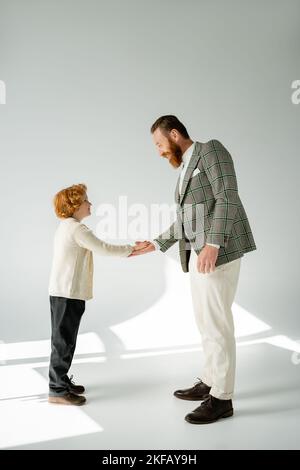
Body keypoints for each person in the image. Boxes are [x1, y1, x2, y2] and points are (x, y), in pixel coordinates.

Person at [131, 115, 257, 424]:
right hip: (200, 255)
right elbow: (189, 216)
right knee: (205, 322)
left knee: (217, 324)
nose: (159, 151)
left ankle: (222, 398)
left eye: (160, 144)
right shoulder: (186, 167)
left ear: (174, 134)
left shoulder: (211, 151)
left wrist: (213, 243)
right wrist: (157, 243)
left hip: (219, 251)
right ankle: (211, 380)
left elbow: (227, 196)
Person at [48, 183, 145, 405]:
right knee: (63, 342)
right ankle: (57, 390)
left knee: (65, 340)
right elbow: (104, 248)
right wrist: (133, 249)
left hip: (65, 292)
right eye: (86, 201)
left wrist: (132, 250)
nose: (90, 204)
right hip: (67, 293)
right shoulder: (76, 229)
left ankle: (60, 382)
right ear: (74, 206)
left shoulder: (67, 226)